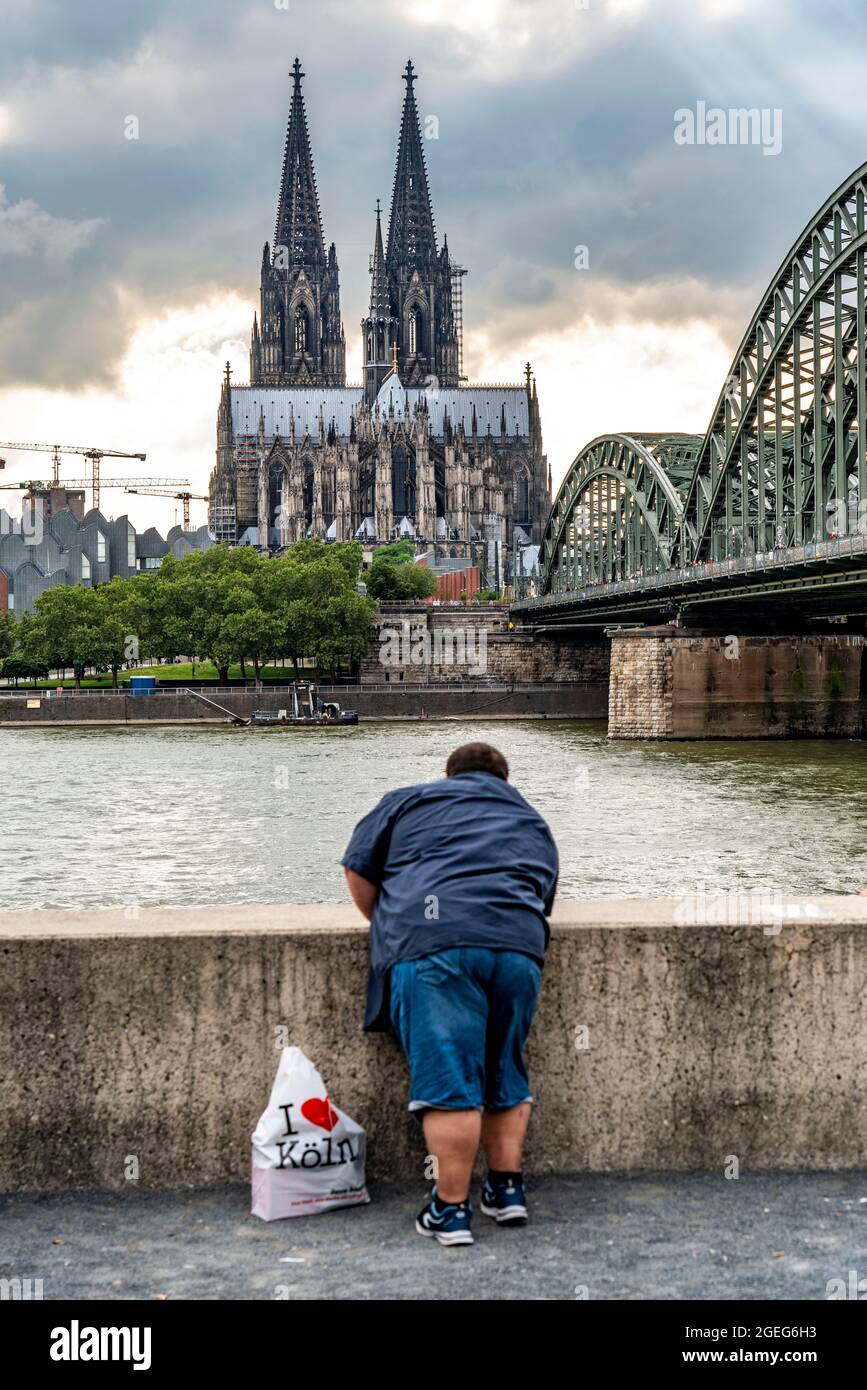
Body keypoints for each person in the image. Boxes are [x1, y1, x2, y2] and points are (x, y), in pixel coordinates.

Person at [341, 741, 558, 1247]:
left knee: (449, 1082)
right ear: (504, 781)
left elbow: (358, 868)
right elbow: (539, 895)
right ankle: (506, 1192)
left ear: (448, 775)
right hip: (517, 947)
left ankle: (451, 1210)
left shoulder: (408, 800)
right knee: (506, 1068)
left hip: (435, 947)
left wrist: (393, 925)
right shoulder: (531, 819)